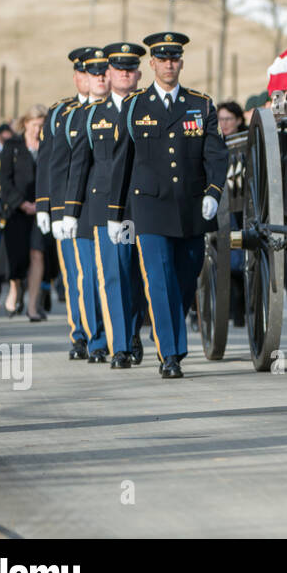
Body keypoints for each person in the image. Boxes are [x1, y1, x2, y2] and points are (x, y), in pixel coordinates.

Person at [110, 32, 227, 378]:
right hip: (149, 207)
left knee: (185, 277)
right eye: (162, 59)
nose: (168, 65)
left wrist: (214, 192)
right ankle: (170, 354)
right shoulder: (134, 106)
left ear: (181, 63)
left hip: (191, 206)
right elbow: (122, 162)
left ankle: (168, 337)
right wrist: (116, 215)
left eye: (174, 58)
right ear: (152, 64)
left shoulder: (201, 104)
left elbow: (216, 155)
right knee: (159, 279)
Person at [66, 43, 147, 368]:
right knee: (113, 275)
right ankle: (120, 346)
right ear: (110, 74)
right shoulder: (91, 115)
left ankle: (134, 330)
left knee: (138, 277)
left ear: (138, 73)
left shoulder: (147, 108)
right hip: (104, 209)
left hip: (141, 207)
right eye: (118, 68)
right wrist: (69, 211)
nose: (124, 73)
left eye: (130, 68)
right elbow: (79, 165)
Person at [37, 48, 96, 358]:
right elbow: (49, 162)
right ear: (76, 77)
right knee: (75, 274)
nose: (90, 78)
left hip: (99, 204)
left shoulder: (108, 108)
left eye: (95, 72)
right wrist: (45, 205)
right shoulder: (61, 111)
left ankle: (105, 331)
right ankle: (80, 333)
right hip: (66, 207)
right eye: (84, 73)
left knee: (99, 274)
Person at [56, 51, 112, 362]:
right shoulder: (71, 117)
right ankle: (96, 338)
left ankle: (125, 335)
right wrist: (61, 211)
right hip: (86, 207)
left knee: (120, 275)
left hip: (118, 207)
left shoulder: (124, 110)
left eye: (105, 71)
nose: (101, 77)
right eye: (95, 73)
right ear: (84, 78)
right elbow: (63, 167)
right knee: (89, 275)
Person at [0, 105, 48, 321]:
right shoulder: (12, 145)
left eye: (41, 125)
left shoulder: (49, 145)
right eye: (34, 125)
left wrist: (42, 204)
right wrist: (21, 203)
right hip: (16, 210)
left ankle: (33, 306)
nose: (38, 130)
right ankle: (15, 289)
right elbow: (3, 180)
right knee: (16, 257)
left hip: (41, 210)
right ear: (26, 123)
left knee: (37, 254)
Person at [216, 101, 247, 327]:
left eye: (228, 119)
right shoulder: (215, 144)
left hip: (244, 202)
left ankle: (241, 308)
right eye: (221, 119)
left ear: (238, 120)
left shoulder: (247, 141)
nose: (224, 124)